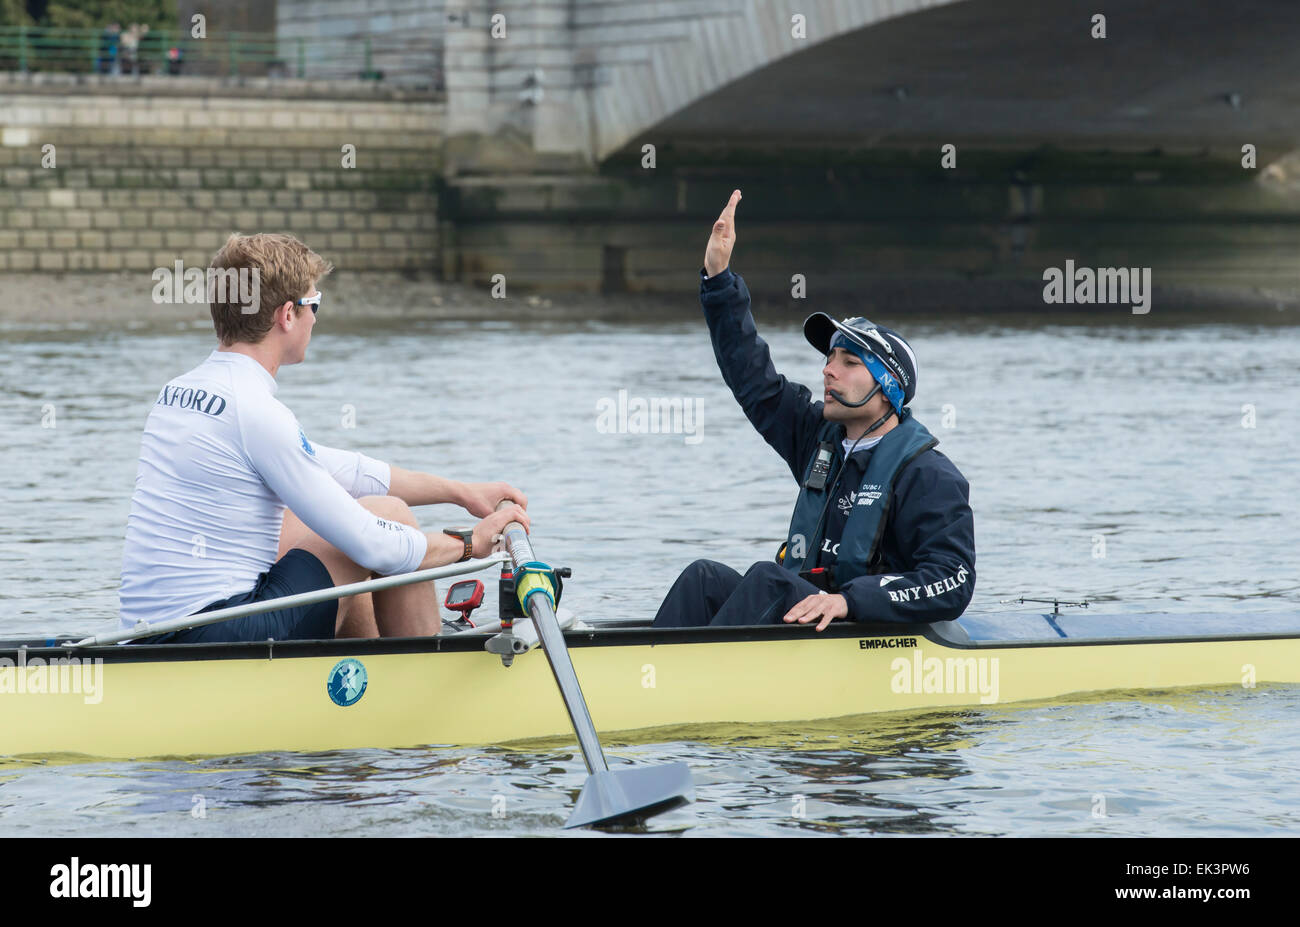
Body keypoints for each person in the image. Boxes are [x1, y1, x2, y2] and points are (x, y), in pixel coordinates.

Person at [119, 232, 529, 643]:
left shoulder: (177, 392)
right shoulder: (257, 411)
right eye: (314, 304)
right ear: (287, 315)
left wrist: (461, 492)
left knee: (332, 523)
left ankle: (364, 664)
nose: (315, 318)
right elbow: (373, 545)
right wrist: (470, 544)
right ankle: (428, 667)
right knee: (389, 517)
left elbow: (345, 471)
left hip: (148, 632)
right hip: (215, 634)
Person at [652, 190, 975, 631]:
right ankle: (649, 665)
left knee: (768, 579)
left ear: (888, 389)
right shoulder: (815, 439)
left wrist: (849, 601)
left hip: (868, 632)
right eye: (828, 358)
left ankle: (693, 670)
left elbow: (953, 582)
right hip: (812, 620)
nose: (828, 371)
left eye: (849, 362)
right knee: (702, 578)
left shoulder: (930, 475)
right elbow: (751, 377)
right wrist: (718, 278)